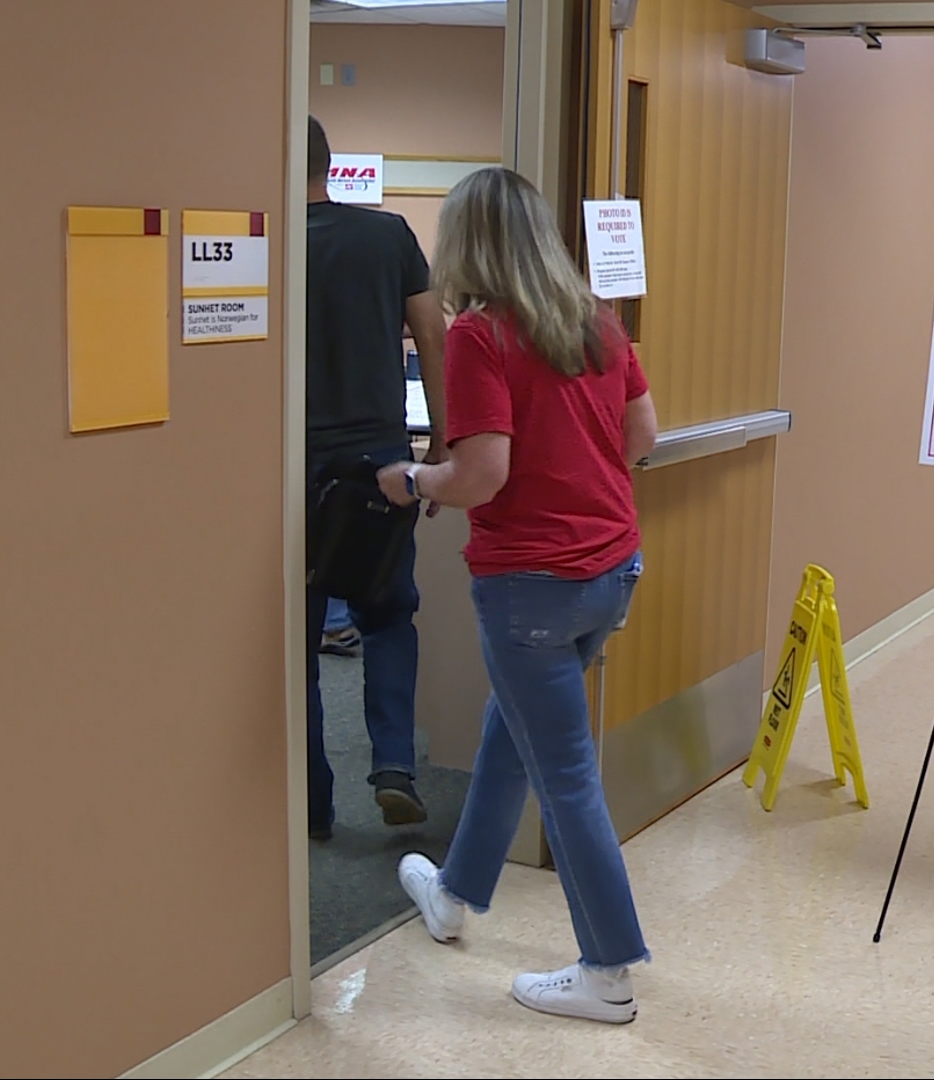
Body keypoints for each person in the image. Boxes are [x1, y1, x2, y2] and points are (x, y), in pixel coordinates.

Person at [376, 167, 658, 1024]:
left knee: (566, 776)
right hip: (611, 571)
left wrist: (414, 481)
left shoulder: (480, 335)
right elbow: (642, 434)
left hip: (530, 585)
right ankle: (455, 896)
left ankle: (607, 972)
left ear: (467, 241)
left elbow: (483, 473)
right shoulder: (595, 323)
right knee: (517, 730)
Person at [305, 116, 448, 840]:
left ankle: (312, 804)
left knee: (293, 639)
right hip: (382, 466)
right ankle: (393, 766)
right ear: (330, 167)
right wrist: (443, 445)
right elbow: (432, 335)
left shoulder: (260, 246)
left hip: (292, 469)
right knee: (389, 618)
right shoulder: (389, 236)